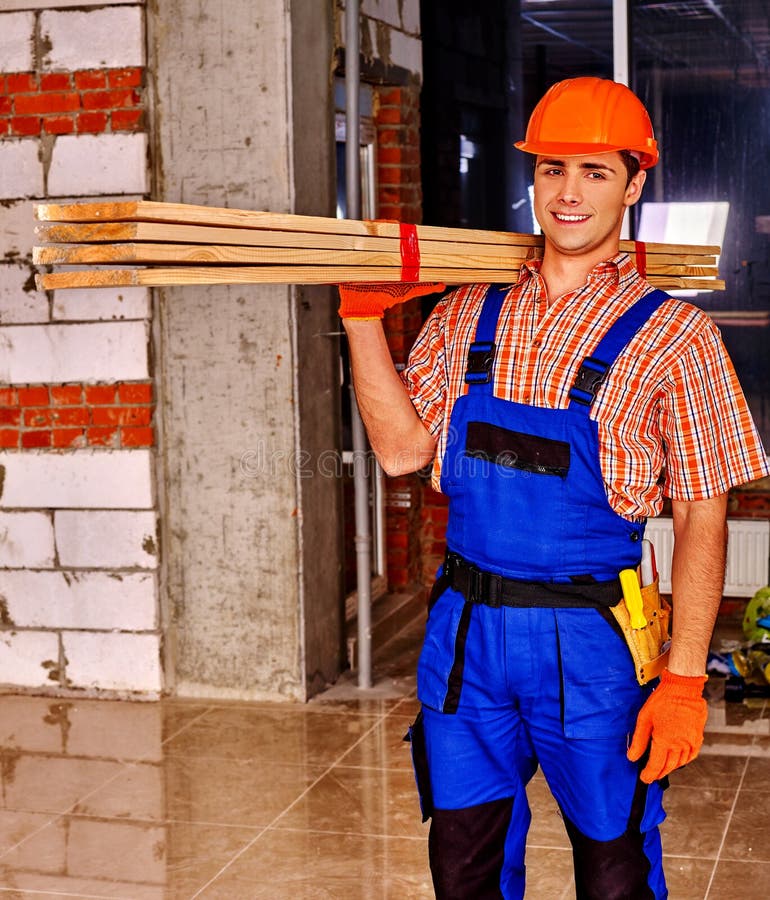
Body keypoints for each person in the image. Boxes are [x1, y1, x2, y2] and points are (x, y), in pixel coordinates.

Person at [339, 76, 770, 899]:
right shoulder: (469, 309)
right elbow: (400, 455)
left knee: (614, 871)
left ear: (634, 183)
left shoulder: (677, 338)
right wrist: (364, 323)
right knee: (462, 863)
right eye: (551, 170)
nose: (568, 193)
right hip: (466, 636)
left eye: (595, 172)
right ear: (532, 177)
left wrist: (682, 682)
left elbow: (703, 514)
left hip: (593, 643)